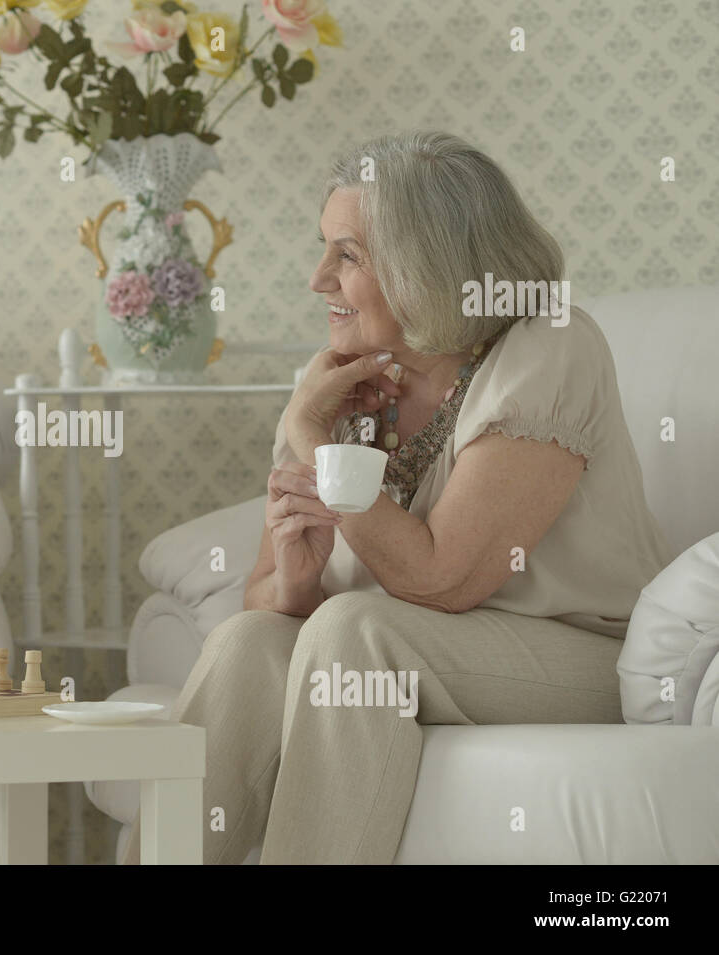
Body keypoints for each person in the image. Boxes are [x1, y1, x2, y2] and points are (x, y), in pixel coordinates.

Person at [123, 129, 670, 864]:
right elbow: (260, 598)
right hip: (421, 653)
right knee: (246, 641)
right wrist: (293, 584)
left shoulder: (548, 349)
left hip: (582, 660)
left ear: (429, 268)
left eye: (346, 255)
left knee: (357, 632)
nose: (317, 278)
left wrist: (310, 435)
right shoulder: (337, 383)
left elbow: (442, 579)